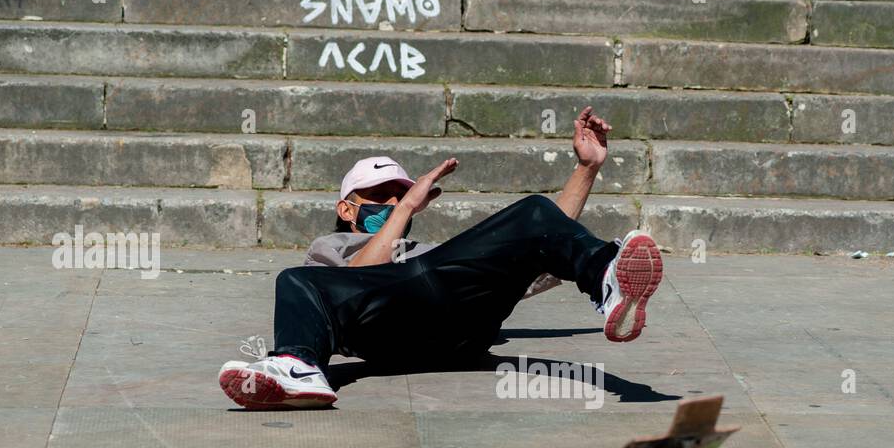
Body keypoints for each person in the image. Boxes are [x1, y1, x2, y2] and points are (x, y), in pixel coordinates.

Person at [218, 107, 662, 409]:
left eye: (400, 193)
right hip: (383, 333)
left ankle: (605, 275)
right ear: (347, 209)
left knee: (534, 214)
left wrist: (587, 168)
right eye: (379, 196)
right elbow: (361, 283)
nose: (393, 201)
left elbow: (541, 256)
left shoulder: (427, 255)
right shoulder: (327, 251)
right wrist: (407, 207)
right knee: (293, 281)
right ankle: (299, 368)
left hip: (460, 331)